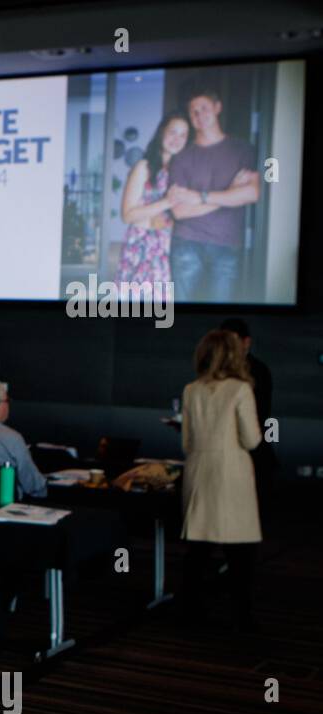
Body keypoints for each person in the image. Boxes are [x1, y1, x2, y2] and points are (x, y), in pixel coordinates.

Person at [179, 329, 261, 631]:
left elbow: (186, 443)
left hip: (199, 469)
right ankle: (242, 618)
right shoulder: (240, 389)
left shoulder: (191, 389)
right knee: (241, 553)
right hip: (231, 472)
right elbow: (252, 440)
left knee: (198, 550)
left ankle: (191, 614)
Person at [166, 87, 260, 302]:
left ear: (218, 108)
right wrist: (229, 194)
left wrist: (200, 197)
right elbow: (179, 212)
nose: (199, 115)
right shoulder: (181, 157)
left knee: (221, 315)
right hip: (186, 243)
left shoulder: (244, 150)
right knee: (183, 314)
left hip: (227, 243)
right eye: (193, 111)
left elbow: (253, 193)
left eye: (204, 108)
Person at [117, 113, 189, 287]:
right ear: (162, 132)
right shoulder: (144, 167)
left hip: (167, 246)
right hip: (142, 245)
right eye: (173, 132)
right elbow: (127, 215)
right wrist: (166, 203)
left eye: (183, 135)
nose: (176, 139)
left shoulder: (181, 171)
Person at [219, 318, 275, 515]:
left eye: (232, 342)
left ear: (246, 342)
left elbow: (259, 414)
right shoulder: (215, 371)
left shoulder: (258, 371)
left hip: (248, 448)